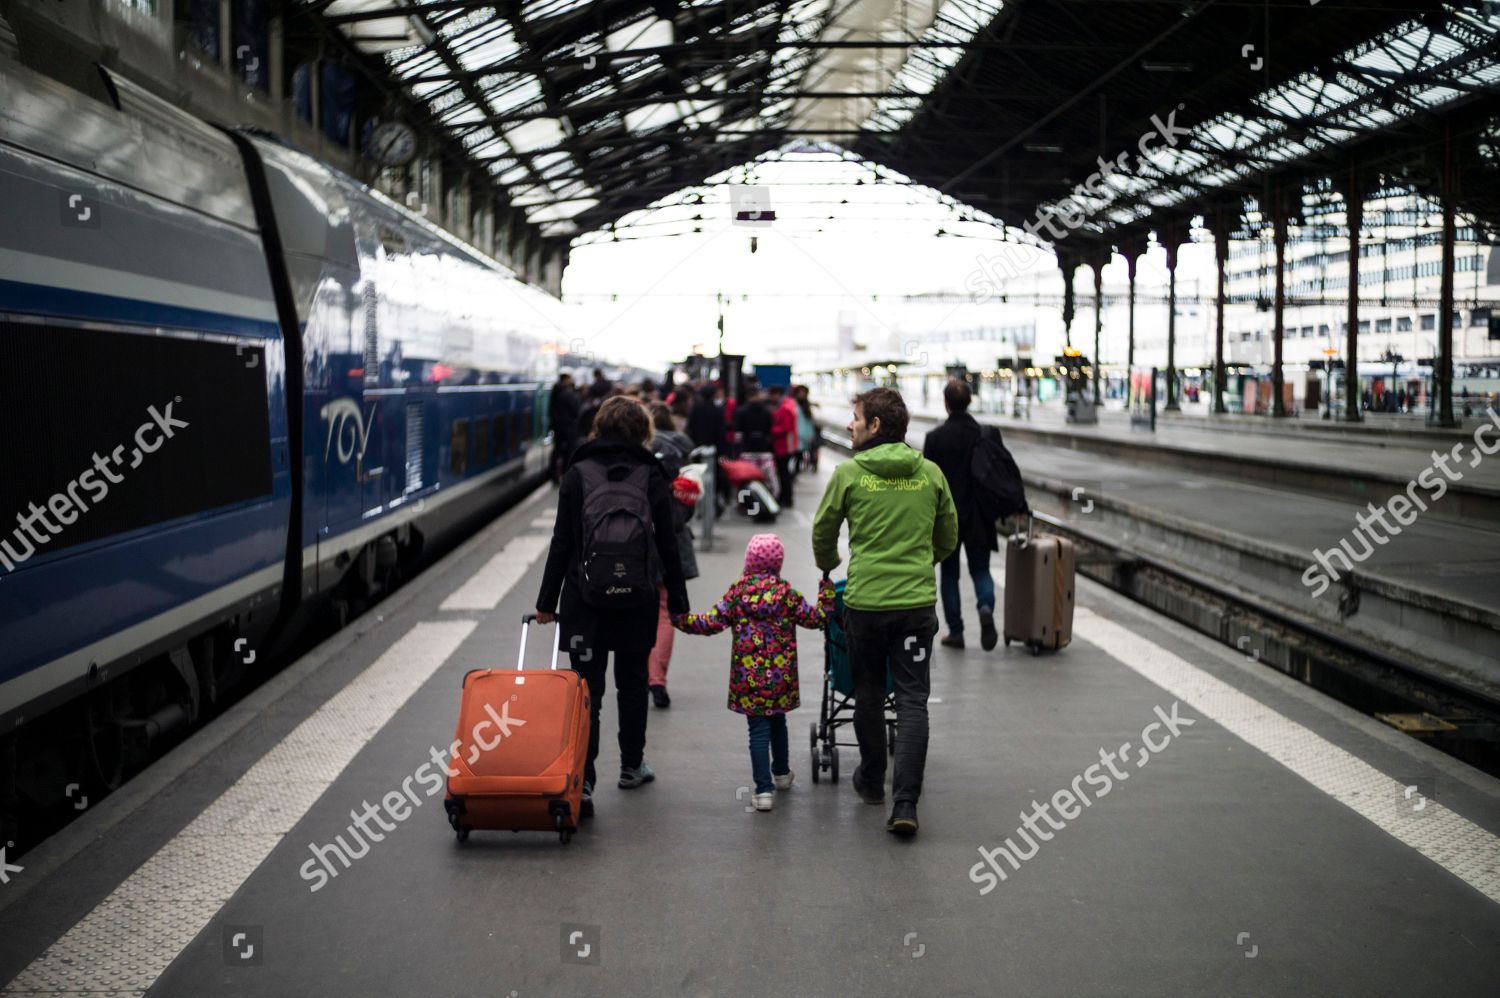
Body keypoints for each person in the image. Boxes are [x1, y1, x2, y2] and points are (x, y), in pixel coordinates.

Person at [812, 387, 956, 837]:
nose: (851, 424)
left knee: (869, 690)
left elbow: (823, 532)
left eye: (856, 417)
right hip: (915, 605)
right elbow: (949, 535)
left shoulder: (850, 474)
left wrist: (829, 566)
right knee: (912, 699)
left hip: (866, 605)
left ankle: (872, 780)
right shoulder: (929, 473)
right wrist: (920, 563)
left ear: (875, 425)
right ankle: (906, 802)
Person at [535, 397, 689, 818]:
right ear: (643, 430)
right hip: (637, 599)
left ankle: (583, 783)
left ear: (598, 428)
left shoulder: (578, 472)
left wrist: (547, 603)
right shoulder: (651, 473)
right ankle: (631, 766)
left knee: (588, 692)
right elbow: (667, 545)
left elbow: (562, 542)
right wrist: (678, 602)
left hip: (585, 600)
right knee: (633, 684)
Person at [672, 534, 834, 811]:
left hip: (749, 680)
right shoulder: (787, 594)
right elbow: (817, 618)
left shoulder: (738, 593)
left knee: (758, 731)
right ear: (778, 564)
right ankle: (781, 774)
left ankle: (763, 791)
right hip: (780, 679)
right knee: (778, 722)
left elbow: (711, 622)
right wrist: (826, 591)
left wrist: (681, 620)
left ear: (749, 561)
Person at [921, 378, 1024, 651]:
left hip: (947, 519)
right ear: (969, 402)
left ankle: (956, 632)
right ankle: (985, 606)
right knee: (981, 570)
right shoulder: (986, 434)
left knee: (950, 575)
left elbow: (927, 484)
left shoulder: (935, 439)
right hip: (980, 516)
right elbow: (1004, 471)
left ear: (946, 404)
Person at [646, 403, 699, 708]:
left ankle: (640, 672)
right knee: (666, 613)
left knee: (640, 610)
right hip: (671, 546)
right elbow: (686, 509)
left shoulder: (636, 450)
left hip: (635, 545)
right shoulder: (681, 453)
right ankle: (657, 679)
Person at [768, 385, 800, 508]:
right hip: (784, 445)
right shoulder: (787, 406)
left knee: (783, 473)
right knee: (783, 473)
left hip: (784, 446)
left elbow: (785, 427)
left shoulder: (786, 408)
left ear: (777, 394)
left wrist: (771, 430)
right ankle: (784, 496)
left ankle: (787, 498)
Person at [548, 373, 582, 484]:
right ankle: (565, 475)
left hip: (557, 426)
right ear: (566, 379)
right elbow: (576, 409)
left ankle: (553, 476)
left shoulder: (555, 391)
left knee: (556, 451)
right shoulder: (569, 393)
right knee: (568, 452)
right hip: (568, 427)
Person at [792, 385, 819, 473]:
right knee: (796, 455)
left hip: (804, 435)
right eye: (800, 392)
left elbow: (809, 422)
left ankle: (796, 471)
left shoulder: (806, 406)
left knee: (799, 455)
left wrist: (810, 435)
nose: (802, 394)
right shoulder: (793, 404)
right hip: (794, 435)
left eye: (804, 392)